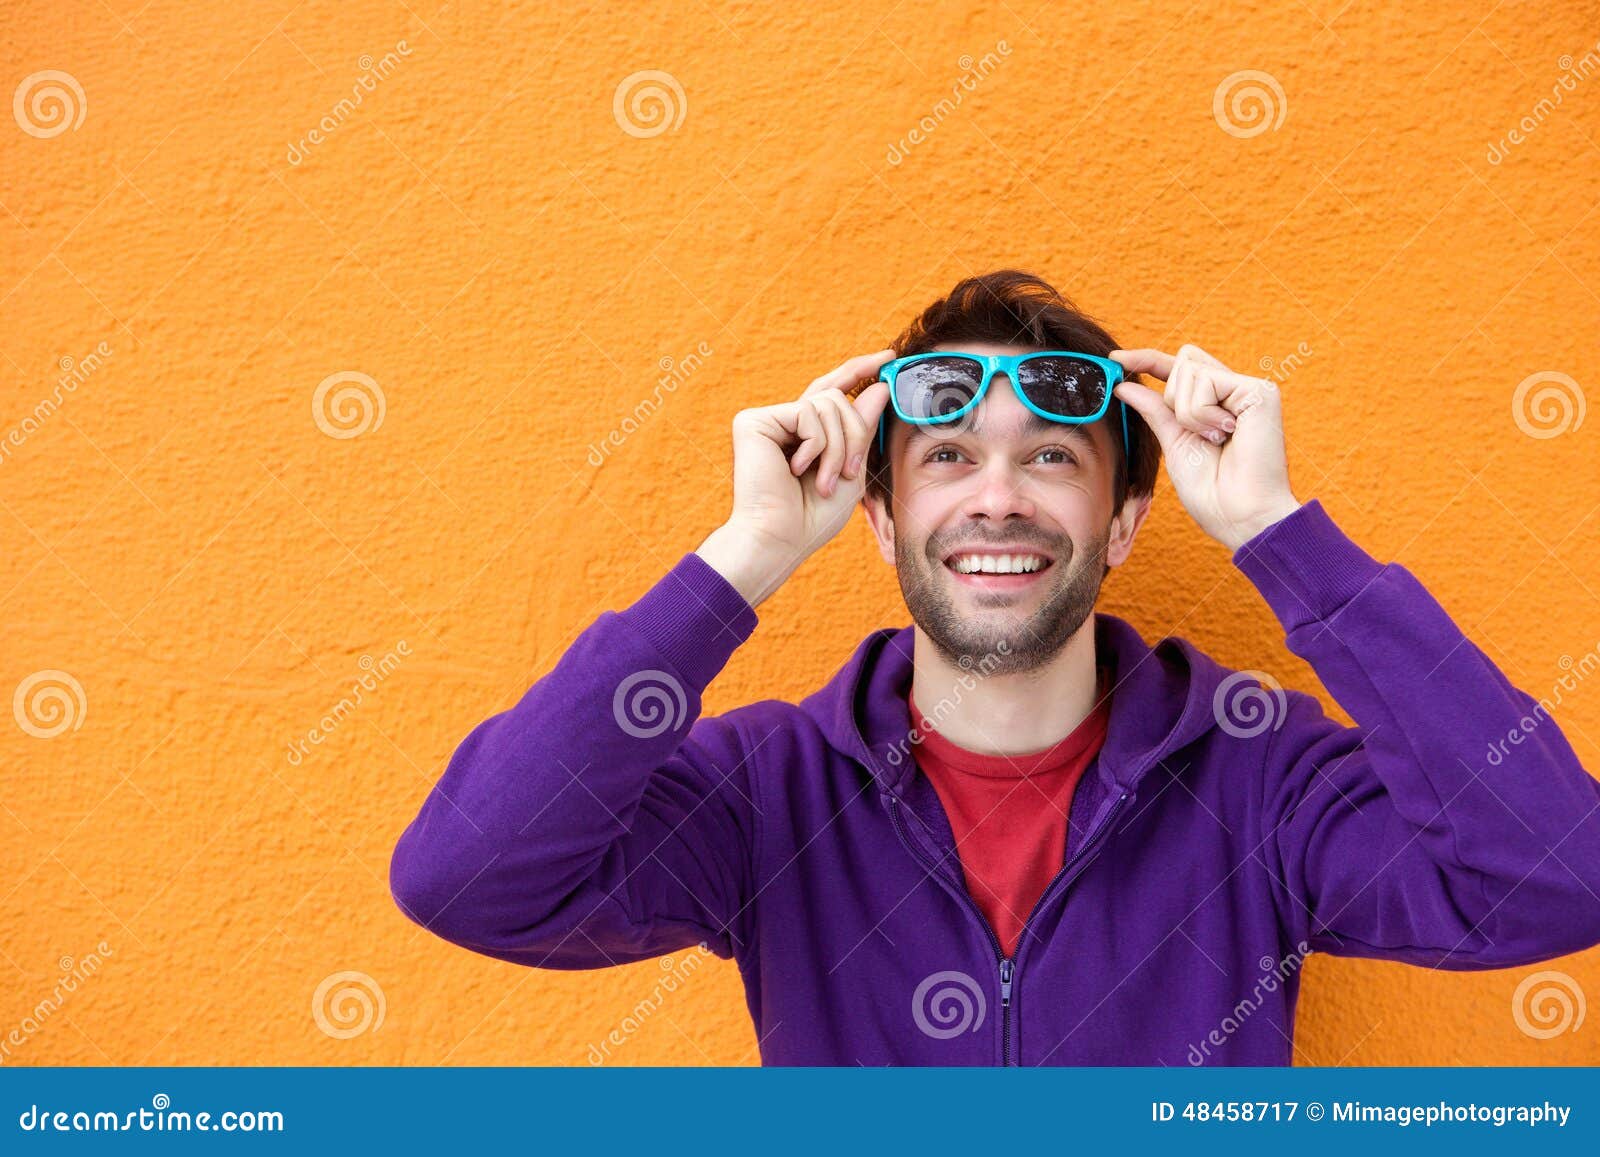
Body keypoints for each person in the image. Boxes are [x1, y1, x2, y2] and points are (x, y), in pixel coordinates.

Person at [389, 269, 1600, 1066]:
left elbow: (1559, 877)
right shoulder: (768, 794)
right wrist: (746, 557)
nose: (998, 500)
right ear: (876, 518)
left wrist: (1277, 535)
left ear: (1125, 522)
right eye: (951, 456)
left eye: (1052, 462)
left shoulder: (1260, 778)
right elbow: (468, 877)